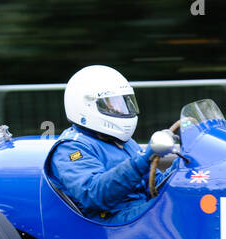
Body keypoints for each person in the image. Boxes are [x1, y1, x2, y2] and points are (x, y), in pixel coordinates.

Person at [48, 65, 177, 224]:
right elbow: (95, 195)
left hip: (139, 213)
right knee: (178, 212)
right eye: (113, 105)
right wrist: (144, 158)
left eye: (124, 103)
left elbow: (155, 184)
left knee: (187, 202)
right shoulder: (72, 148)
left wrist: (181, 165)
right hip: (112, 221)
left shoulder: (124, 142)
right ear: (86, 107)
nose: (122, 110)